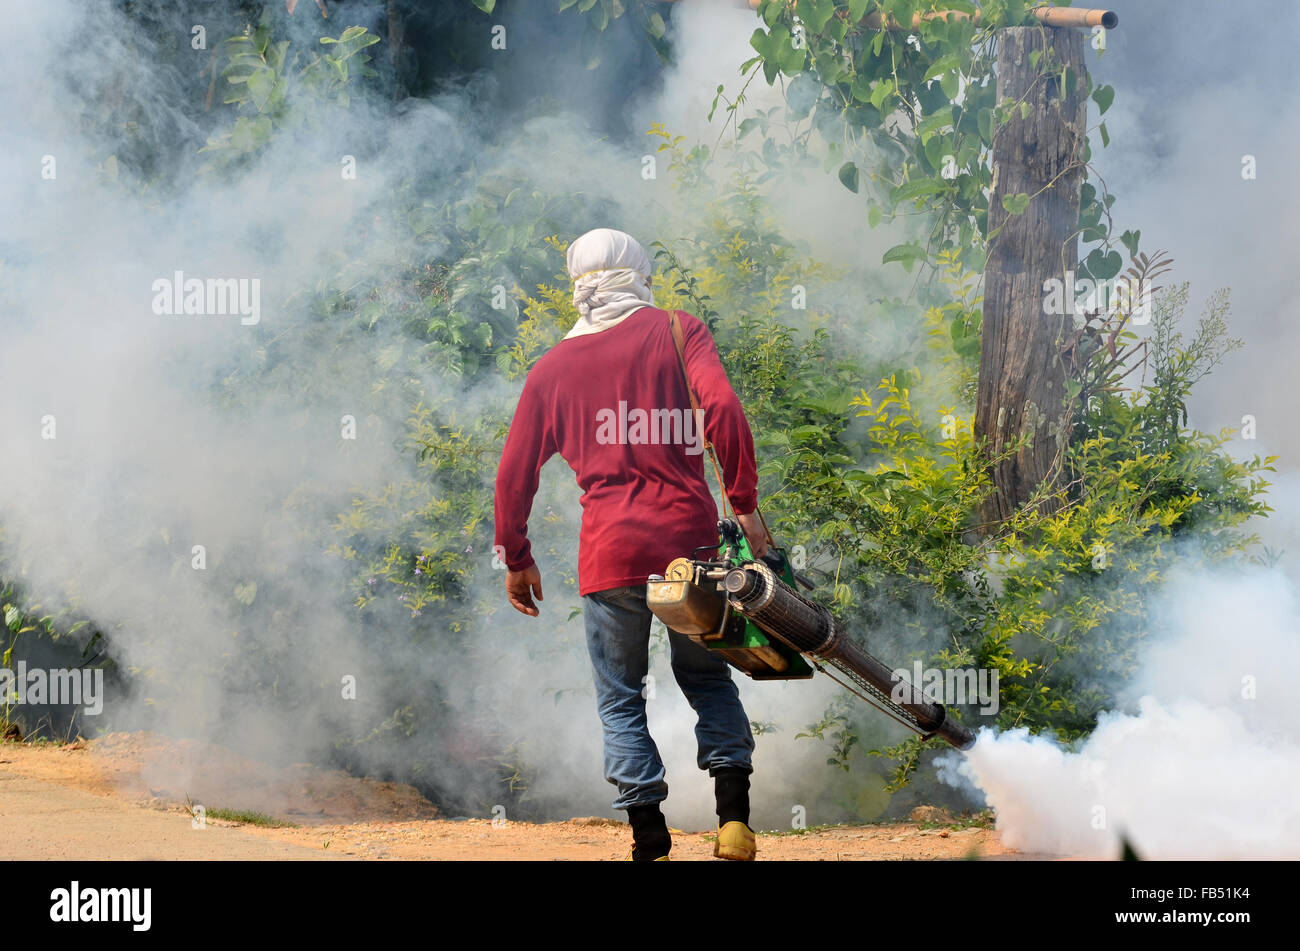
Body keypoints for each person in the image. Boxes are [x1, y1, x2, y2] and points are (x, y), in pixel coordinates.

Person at [493, 227, 768, 861]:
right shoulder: (678, 330)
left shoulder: (551, 370)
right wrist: (744, 504)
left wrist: (517, 556)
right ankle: (733, 823)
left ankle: (649, 837)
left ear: (576, 283)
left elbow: (514, 473)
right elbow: (722, 407)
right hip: (690, 549)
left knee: (621, 697)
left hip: (609, 558)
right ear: (639, 272)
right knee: (708, 682)